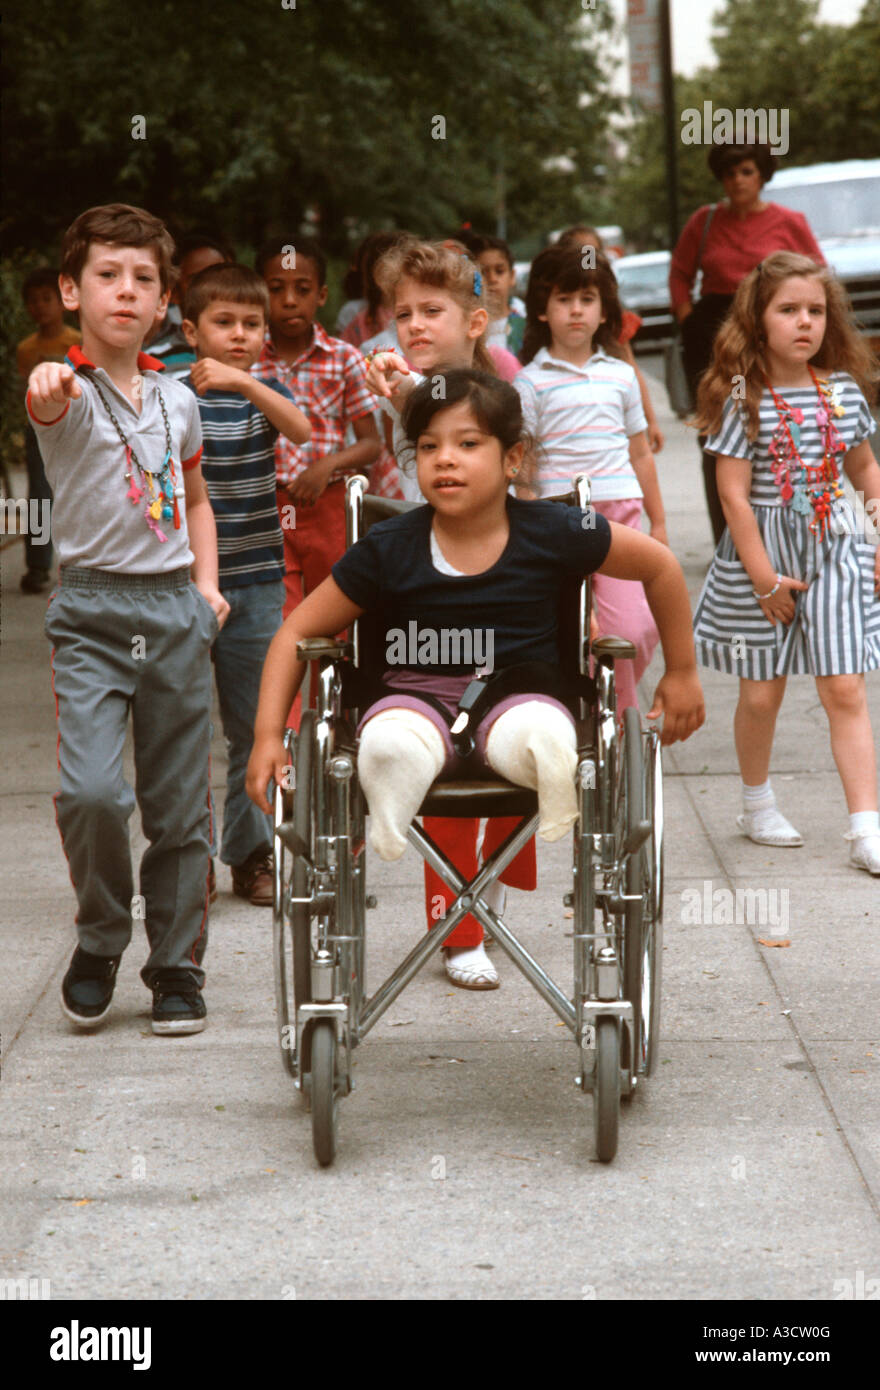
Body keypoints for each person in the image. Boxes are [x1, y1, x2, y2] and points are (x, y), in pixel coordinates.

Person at [245, 368, 706, 994]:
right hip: (410, 698)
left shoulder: (556, 531)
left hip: (523, 692)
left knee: (542, 729)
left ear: (512, 458)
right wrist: (269, 734)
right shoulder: (387, 547)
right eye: (429, 447)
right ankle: (390, 788)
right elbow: (294, 633)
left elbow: (659, 566)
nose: (445, 461)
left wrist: (681, 673)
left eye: (467, 444)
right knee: (391, 736)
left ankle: (550, 780)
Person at [27, 203, 229, 1035]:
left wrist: (208, 588)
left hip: (174, 608)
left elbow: (199, 499)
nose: (126, 290)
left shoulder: (179, 400)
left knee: (181, 807)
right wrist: (45, 383)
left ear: (163, 302)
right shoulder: (65, 391)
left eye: (144, 278)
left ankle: (175, 964)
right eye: (107, 275)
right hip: (92, 610)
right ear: (72, 291)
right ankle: (102, 934)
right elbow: (45, 404)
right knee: (94, 794)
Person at [364, 237, 537, 987]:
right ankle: (459, 921)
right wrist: (394, 396)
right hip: (414, 586)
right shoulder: (393, 380)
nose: (413, 325)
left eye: (431, 311)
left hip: (499, 582)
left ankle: (481, 889)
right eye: (402, 312)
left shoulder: (501, 388)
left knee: (512, 736)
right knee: (441, 740)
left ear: (476, 319)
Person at [692, 251, 880, 873]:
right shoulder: (741, 395)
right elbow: (733, 497)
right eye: (789, 310)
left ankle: (865, 827)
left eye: (817, 311)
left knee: (845, 687)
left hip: (836, 546)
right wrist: (764, 578)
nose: (805, 322)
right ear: (758, 318)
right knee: (762, 694)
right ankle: (757, 803)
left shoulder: (843, 392)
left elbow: (865, 471)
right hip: (764, 553)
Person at [181, 263, 311, 907]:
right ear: (190, 330)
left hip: (257, 581)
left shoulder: (265, 390)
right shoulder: (172, 396)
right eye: (223, 323)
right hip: (179, 585)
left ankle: (251, 853)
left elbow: (302, 430)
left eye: (251, 324)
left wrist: (243, 381)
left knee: (253, 727)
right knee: (176, 730)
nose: (239, 335)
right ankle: (184, 861)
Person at [515, 243, 666, 715]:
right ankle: (589, 718)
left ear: (604, 311)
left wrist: (658, 524)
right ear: (542, 310)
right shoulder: (529, 381)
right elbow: (524, 466)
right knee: (575, 629)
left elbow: (640, 452)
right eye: (563, 300)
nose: (575, 310)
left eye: (587, 299)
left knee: (636, 628)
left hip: (621, 512)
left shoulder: (621, 376)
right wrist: (524, 519)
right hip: (558, 518)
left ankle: (614, 717)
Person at [251, 237, 382, 727]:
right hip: (267, 510)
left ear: (321, 295)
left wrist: (324, 466)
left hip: (327, 508)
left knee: (333, 617)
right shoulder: (250, 364)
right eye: (275, 288)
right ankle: (281, 736)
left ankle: (334, 722)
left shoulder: (344, 358)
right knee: (278, 621)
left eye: (301, 289)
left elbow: (371, 443)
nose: (288, 300)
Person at [669, 144, 824, 545]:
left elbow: (817, 276)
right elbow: (679, 276)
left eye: (745, 171)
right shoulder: (703, 221)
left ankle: (784, 530)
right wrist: (690, 322)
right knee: (720, 433)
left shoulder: (789, 222)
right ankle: (728, 540)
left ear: (762, 175)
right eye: (729, 173)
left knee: (772, 423)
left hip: (768, 329)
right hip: (715, 335)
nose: (737, 180)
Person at [556, 225, 664, 452]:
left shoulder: (613, 321)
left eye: (592, 253)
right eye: (579, 253)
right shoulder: (556, 318)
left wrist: (651, 421)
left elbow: (632, 369)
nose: (587, 259)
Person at [16, 267, 81, 592]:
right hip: (39, 430)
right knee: (39, 496)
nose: (40, 306)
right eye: (33, 301)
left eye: (46, 299)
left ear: (62, 301)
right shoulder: (26, 349)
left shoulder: (78, 341)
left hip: (77, 429)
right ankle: (38, 565)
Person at [473, 234, 527, 358]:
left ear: (512, 276)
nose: (492, 279)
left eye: (499, 271)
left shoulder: (526, 318)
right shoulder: (467, 324)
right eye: (483, 272)